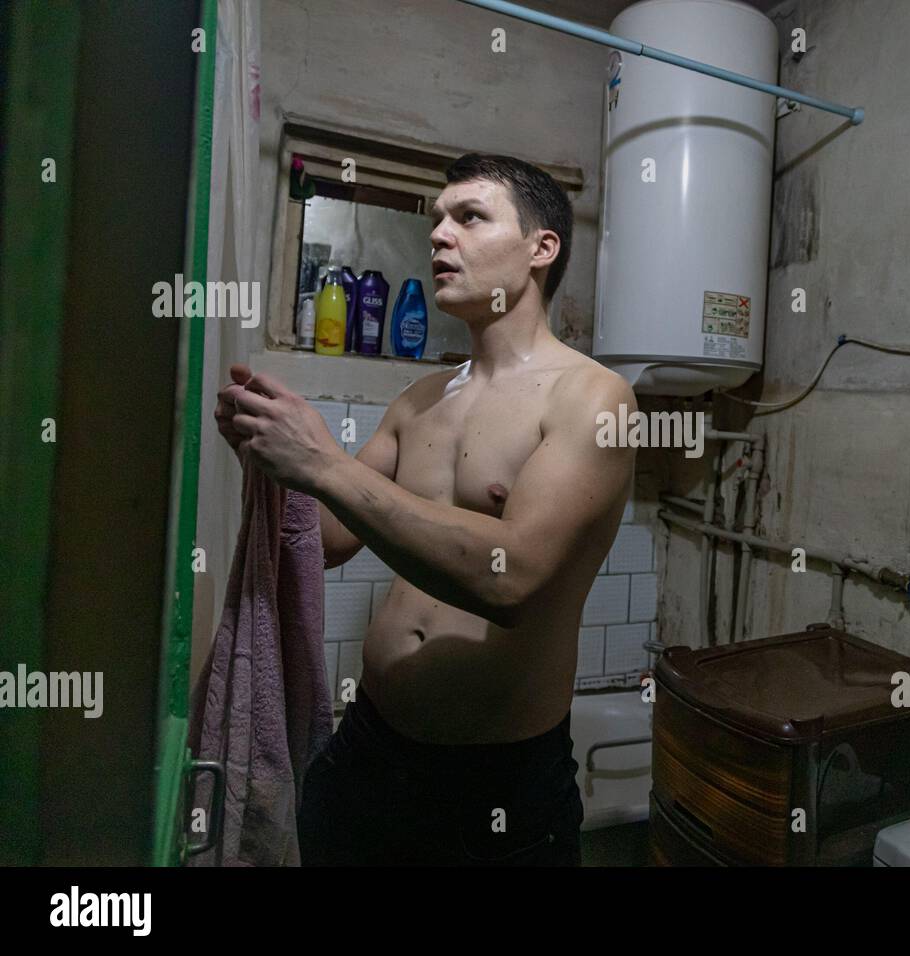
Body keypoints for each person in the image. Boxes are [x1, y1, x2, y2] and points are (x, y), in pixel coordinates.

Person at [213, 153, 637, 865]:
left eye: (470, 217)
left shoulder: (593, 399)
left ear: (542, 248)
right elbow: (328, 536)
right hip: (368, 750)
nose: (439, 235)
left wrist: (323, 463)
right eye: (438, 220)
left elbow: (513, 578)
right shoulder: (420, 400)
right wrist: (270, 458)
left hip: (497, 786)